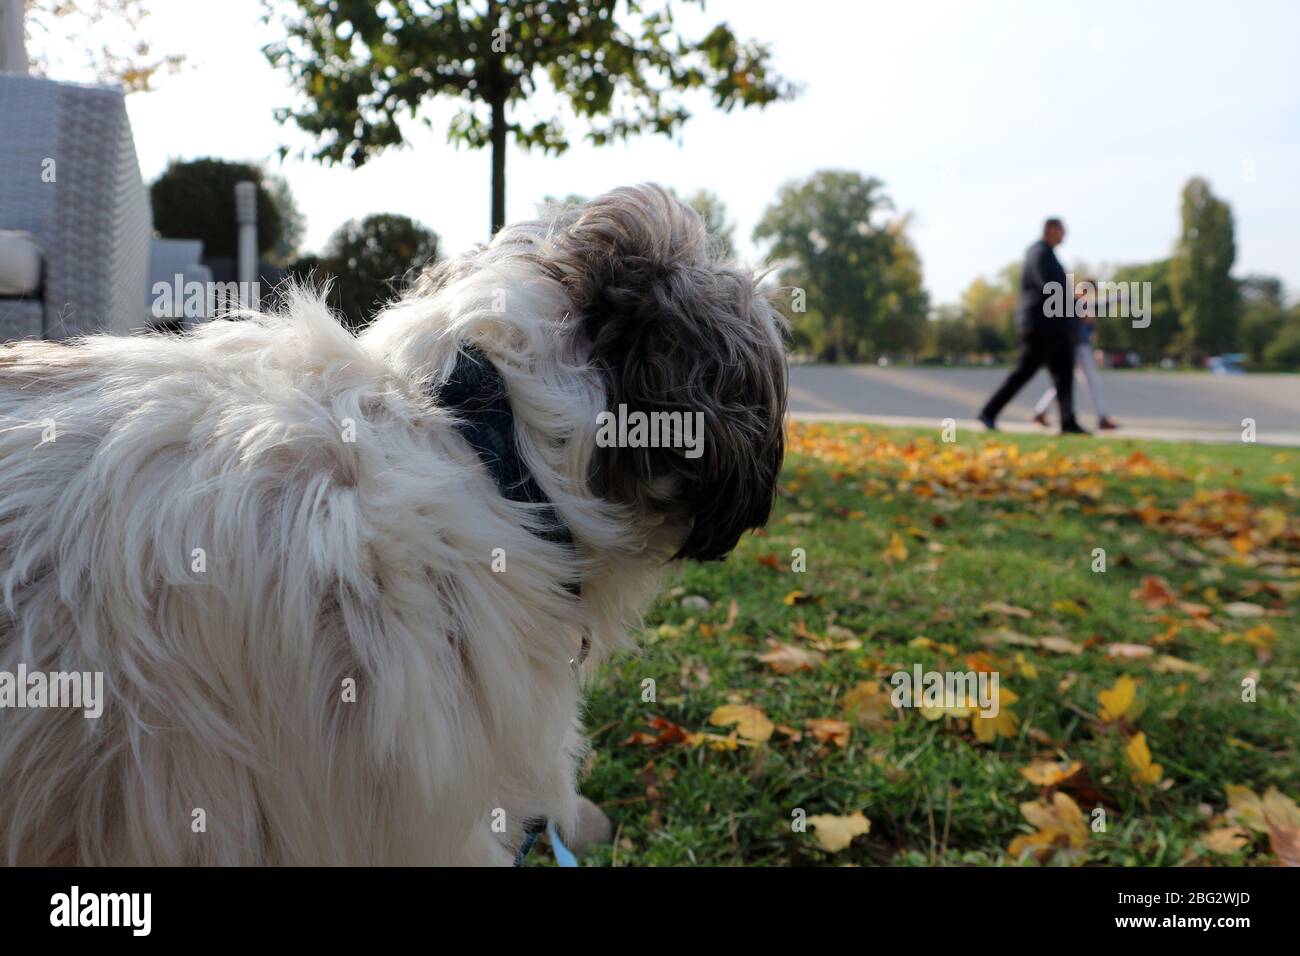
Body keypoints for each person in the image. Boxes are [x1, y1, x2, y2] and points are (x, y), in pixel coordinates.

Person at [978, 218, 1088, 435]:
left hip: (1054, 325)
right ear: (1051, 230)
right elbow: (1049, 287)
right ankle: (989, 412)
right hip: (1041, 326)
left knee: (1064, 373)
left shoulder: (1046, 254)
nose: (1064, 236)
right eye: (1061, 232)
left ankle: (1068, 422)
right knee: (1024, 372)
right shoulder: (1039, 253)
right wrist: (1075, 303)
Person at [1031, 283, 1119, 430]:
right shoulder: (1071, 302)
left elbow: (1090, 328)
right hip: (1075, 347)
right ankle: (1102, 417)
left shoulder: (1081, 304)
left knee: (1065, 382)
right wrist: (1118, 298)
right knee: (1091, 382)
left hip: (1078, 347)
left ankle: (1040, 411)